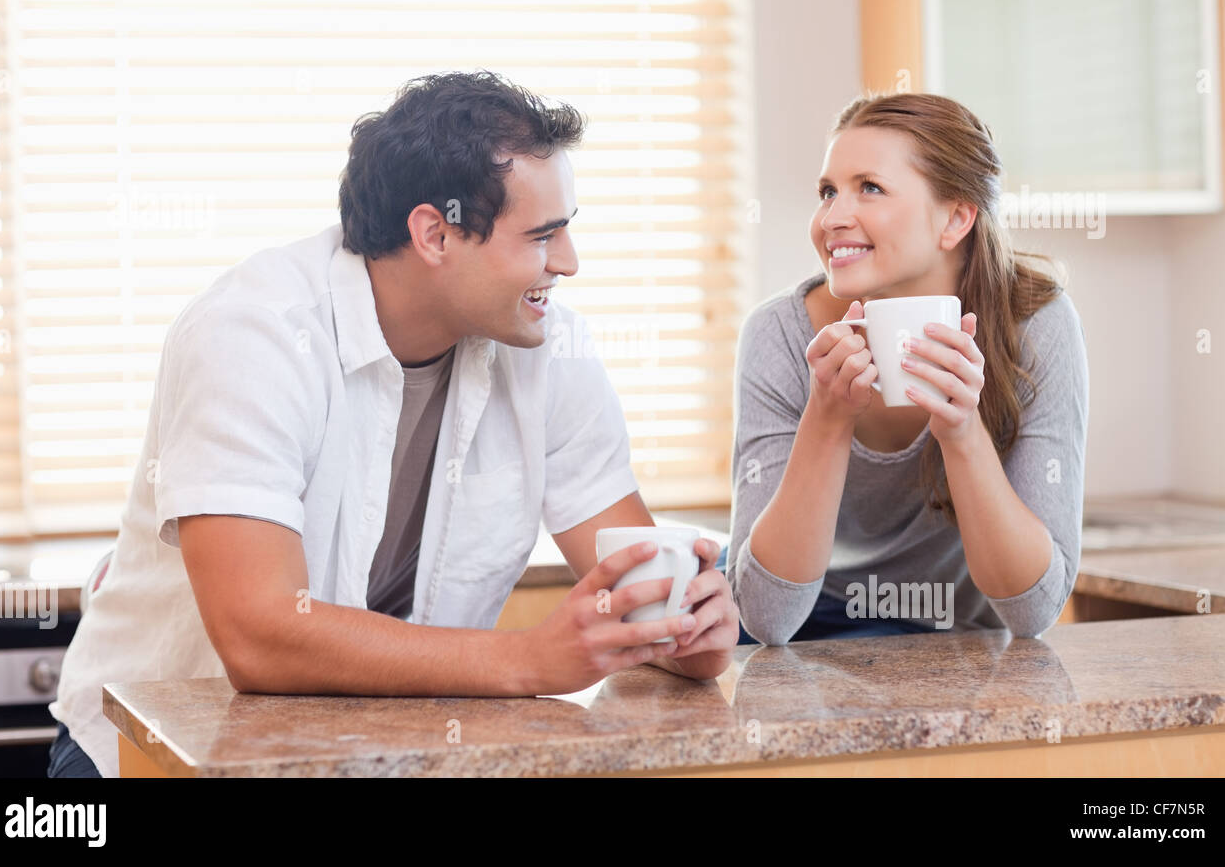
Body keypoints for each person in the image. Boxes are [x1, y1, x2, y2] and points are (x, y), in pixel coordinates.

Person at [48, 71, 739, 777]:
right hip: (148, 753)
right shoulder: (252, 334)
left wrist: (692, 628)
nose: (568, 262)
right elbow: (260, 636)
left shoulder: (548, 347)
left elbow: (640, 588)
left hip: (378, 748)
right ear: (435, 233)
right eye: (543, 236)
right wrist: (528, 658)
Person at [726, 92, 1089, 645]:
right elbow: (766, 618)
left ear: (955, 219)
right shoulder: (778, 334)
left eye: (869, 187)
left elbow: (1032, 612)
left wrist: (962, 433)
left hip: (943, 631)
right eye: (828, 192)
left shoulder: (1035, 326)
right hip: (803, 615)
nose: (831, 218)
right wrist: (827, 418)